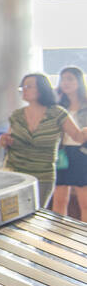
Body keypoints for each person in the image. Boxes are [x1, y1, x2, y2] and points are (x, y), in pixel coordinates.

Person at [0, 72, 86, 206]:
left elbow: (78, 137)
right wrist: (4, 141)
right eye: (23, 87)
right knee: (14, 215)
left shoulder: (57, 113)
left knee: (36, 215)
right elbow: (7, 140)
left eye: (29, 86)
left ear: (42, 88)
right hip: (16, 174)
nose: (24, 90)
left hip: (43, 176)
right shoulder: (17, 115)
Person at [52, 66, 87, 221]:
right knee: (59, 199)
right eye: (63, 79)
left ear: (79, 81)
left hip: (82, 153)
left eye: (70, 79)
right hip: (61, 152)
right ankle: (57, 238)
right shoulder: (57, 106)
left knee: (84, 201)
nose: (65, 83)